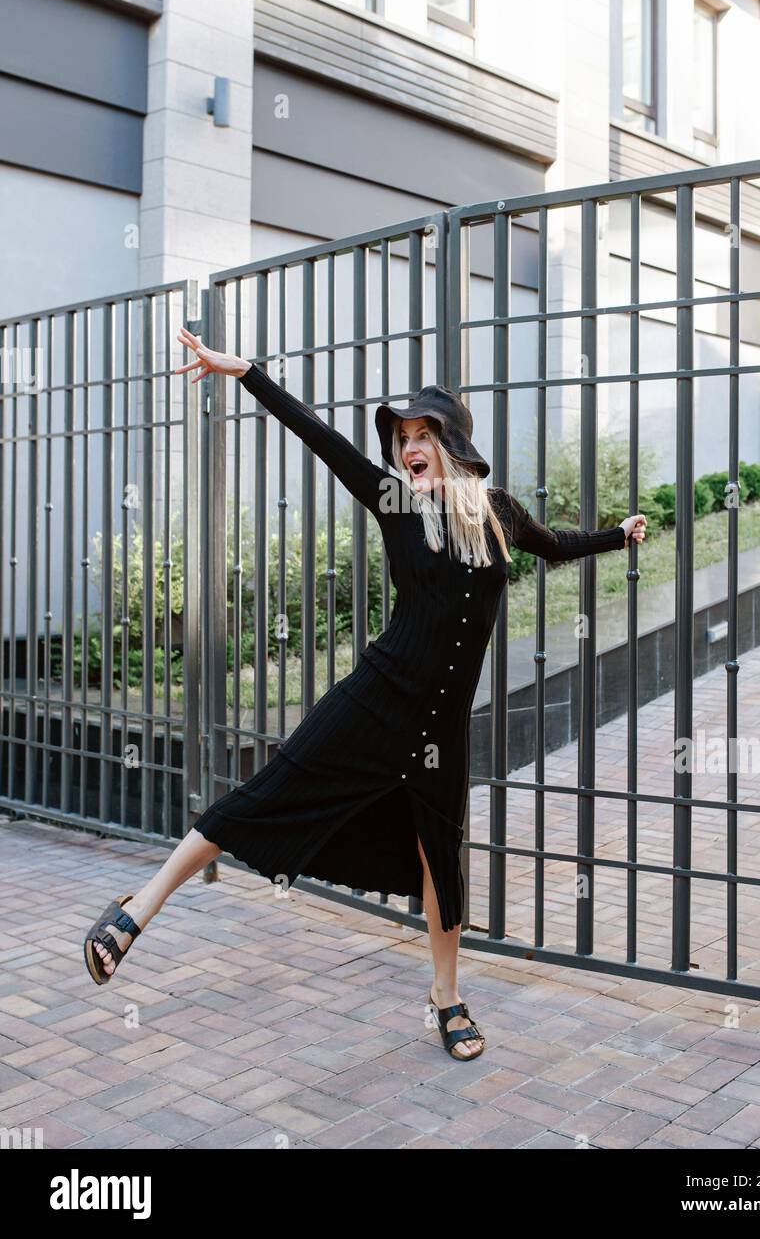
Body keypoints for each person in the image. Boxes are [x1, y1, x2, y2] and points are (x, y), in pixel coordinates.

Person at [83, 326, 647, 1061]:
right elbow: (320, 439)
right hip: (376, 698)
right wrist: (246, 371)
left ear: (451, 444)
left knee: (441, 860)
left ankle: (447, 998)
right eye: (402, 435)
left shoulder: (497, 514)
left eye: (421, 434)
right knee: (266, 794)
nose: (406, 446)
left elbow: (557, 545)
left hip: (440, 729)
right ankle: (138, 910)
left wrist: (618, 535)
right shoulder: (393, 501)